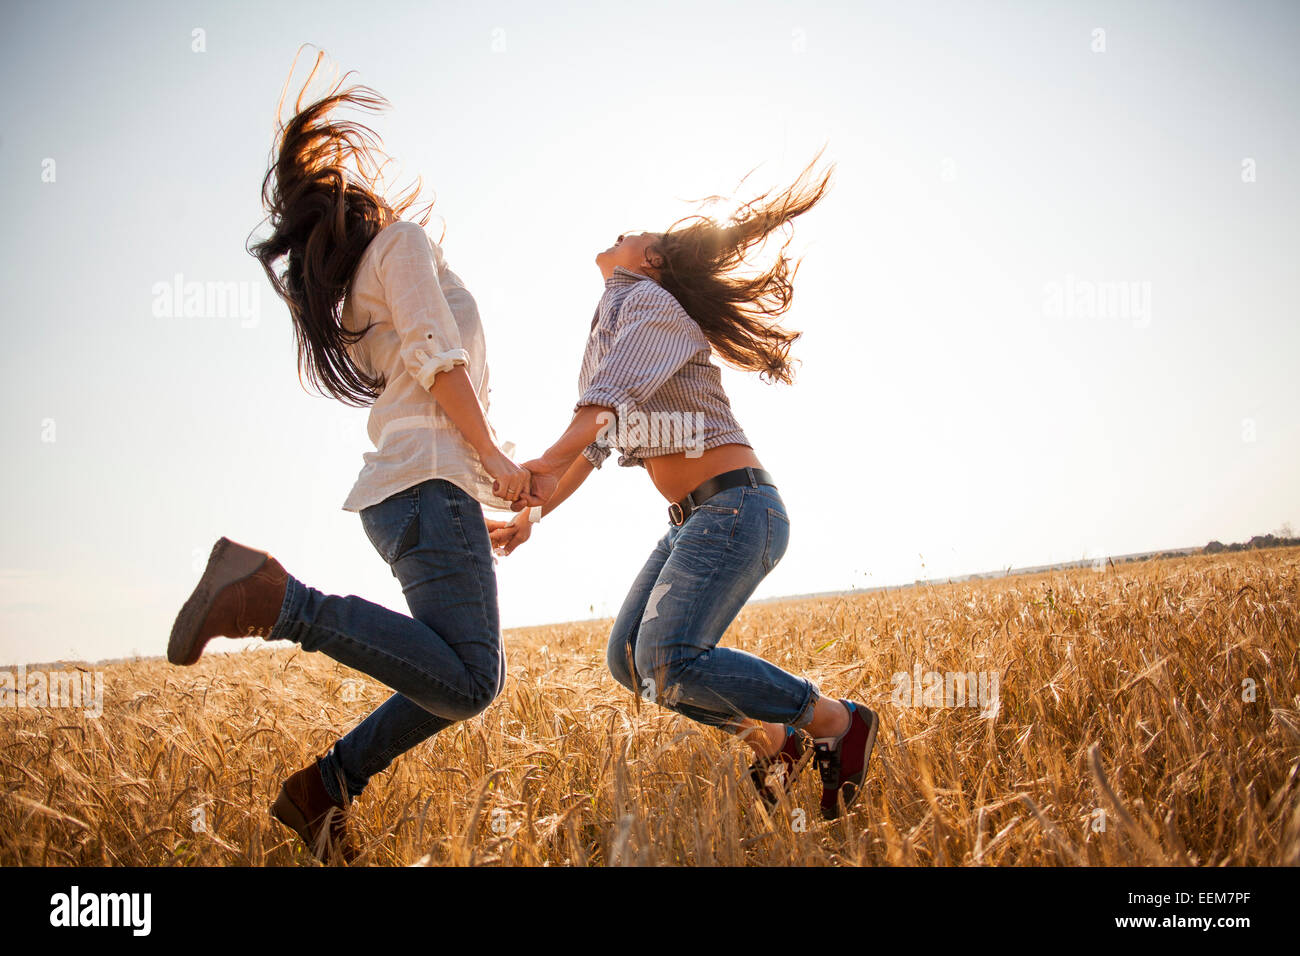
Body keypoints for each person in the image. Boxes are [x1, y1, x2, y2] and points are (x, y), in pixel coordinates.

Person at [166, 58, 543, 863]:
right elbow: (440, 367)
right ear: (357, 208)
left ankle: (324, 789)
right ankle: (278, 601)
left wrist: (477, 500)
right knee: (473, 682)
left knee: (462, 678)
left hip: (418, 498)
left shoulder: (368, 285)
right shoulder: (402, 248)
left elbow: (414, 408)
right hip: (424, 493)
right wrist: (494, 456)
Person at [490, 156, 880, 820]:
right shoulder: (620, 316)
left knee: (665, 658)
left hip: (735, 507)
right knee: (629, 661)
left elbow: (600, 410)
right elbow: (599, 442)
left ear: (651, 261)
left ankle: (837, 722)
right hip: (697, 518)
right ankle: (775, 741)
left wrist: (543, 462)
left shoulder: (648, 302)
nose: (625, 231)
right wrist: (535, 513)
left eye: (636, 233)